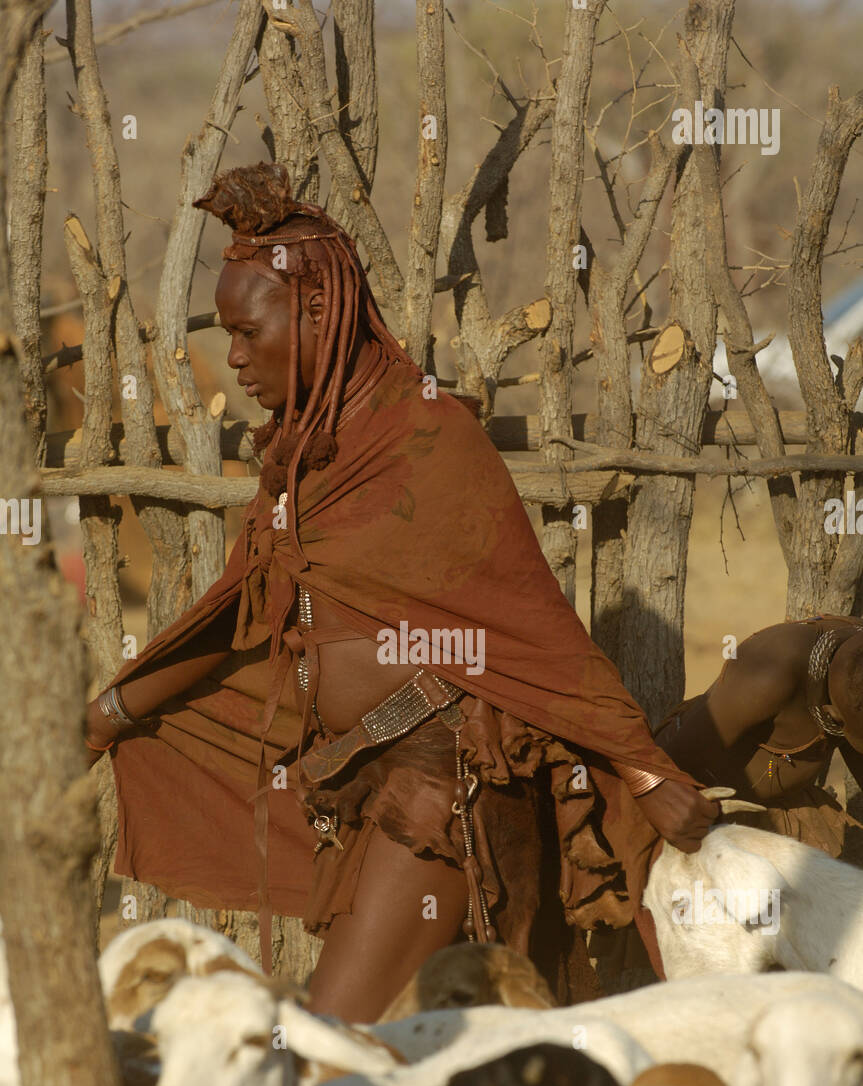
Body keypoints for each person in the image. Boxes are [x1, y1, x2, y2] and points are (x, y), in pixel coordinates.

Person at [84, 161, 717, 1022]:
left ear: (314, 311)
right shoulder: (302, 453)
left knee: (329, 1039)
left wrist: (643, 770)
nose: (230, 358)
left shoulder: (425, 437)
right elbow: (242, 614)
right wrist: (109, 716)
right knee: (409, 1043)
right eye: (225, 335)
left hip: (440, 781)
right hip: (352, 781)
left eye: (245, 331)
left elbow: (531, 633)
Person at [655, 615, 863, 858]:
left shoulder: (853, 653)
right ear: (833, 716)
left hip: (785, 807)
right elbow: (670, 770)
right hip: (699, 807)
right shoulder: (771, 673)